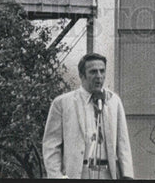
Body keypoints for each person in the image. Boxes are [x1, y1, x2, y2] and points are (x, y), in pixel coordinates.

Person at [42, 52, 134, 180]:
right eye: (93, 72)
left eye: (102, 71)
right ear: (81, 75)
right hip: (78, 173)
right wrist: (56, 176)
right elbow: (51, 145)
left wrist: (127, 175)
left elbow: (123, 142)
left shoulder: (114, 101)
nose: (99, 76)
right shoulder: (63, 103)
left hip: (107, 173)